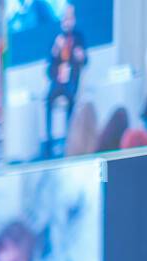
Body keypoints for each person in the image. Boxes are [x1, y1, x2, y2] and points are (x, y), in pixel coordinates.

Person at [44, 4, 87, 158]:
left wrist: (80, 56)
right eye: (65, 17)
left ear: (73, 19)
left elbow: (85, 61)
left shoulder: (79, 38)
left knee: (70, 102)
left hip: (71, 82)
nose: (67, 21)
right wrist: (56, 49)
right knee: (48, 101)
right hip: (57, 82)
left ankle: (69, 142)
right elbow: (48, 68)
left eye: (70, 17)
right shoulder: (56, 39)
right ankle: (49, 144)